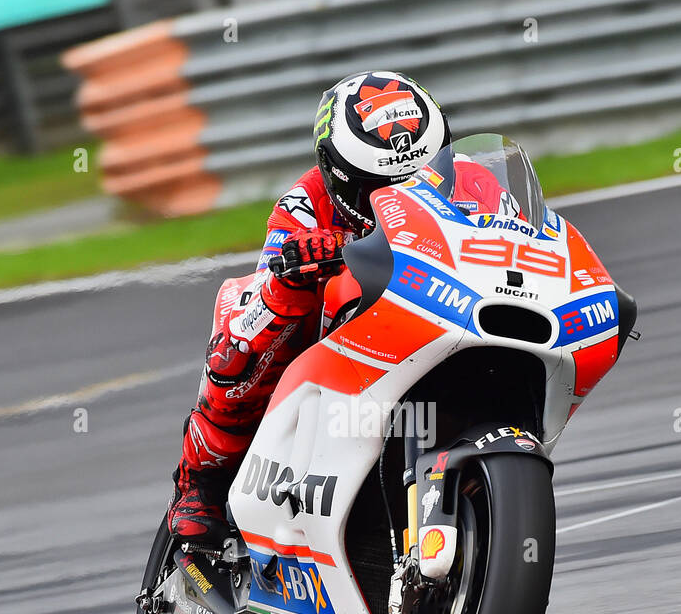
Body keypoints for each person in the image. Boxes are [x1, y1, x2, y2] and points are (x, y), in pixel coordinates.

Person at [167, 71, 522, 546]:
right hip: (334, 349)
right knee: (240, 345)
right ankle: (200, 482)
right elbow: (272, 274)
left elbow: (518, 245)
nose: (399, 197)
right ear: (337, 175)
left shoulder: (476, 183)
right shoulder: (303, 203)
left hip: (443, 320)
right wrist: (310, 260)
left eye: (418, 179)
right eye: (376, 188)